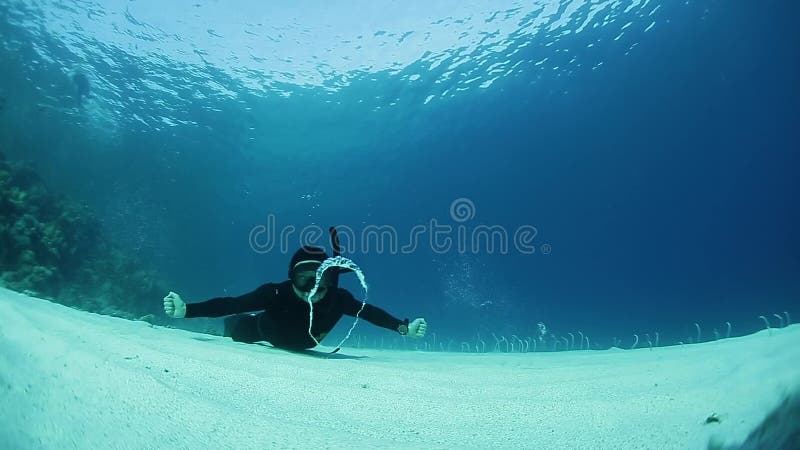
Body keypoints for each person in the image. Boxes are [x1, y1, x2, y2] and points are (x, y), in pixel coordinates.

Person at [163, 246, 427, 351]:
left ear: (332, 278)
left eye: (321, 278)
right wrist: (186, 310)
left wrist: (403, 328)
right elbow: (232, 303)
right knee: (234, 326)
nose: (313, 286)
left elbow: (370, 313)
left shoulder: (340, 299)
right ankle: (224, 328)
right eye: (304, 277)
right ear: (291, 277)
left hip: (302, 343)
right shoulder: (274, 293)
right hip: (257, 330)